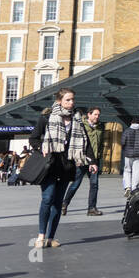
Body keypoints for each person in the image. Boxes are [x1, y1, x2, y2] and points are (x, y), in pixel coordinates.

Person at [30, 89, 95, 249]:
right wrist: (41, 147)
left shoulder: (77, 120)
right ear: (59, 101)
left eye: (73, 99)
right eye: (68, 100)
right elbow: (33, 138)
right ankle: (41, 235)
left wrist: (92, 161)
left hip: (67, 166)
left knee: (58, 203)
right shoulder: (46, 118)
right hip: (50, 164)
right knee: (47, 198)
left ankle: (51, 237)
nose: (71, 103)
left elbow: (85, 142)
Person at [62, 107, 104, 216]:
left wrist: (98, 156)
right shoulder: (81, 125)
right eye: (95, 114)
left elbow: (101, 143)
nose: (97, 117)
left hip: (95, 160)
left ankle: (92, 208)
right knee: (76, 183)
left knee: (94, 184)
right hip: (82, 159)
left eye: (98, 115)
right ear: (89, 115)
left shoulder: (100, 127)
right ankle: (64, 204)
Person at [121, 116, 139, 196]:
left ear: (131, 122)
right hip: (138, 154)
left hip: (128, 154)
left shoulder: (127, 131)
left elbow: (122, 142)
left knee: (127, 171)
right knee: (136, 172)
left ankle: (127, 187)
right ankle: (134, 188)